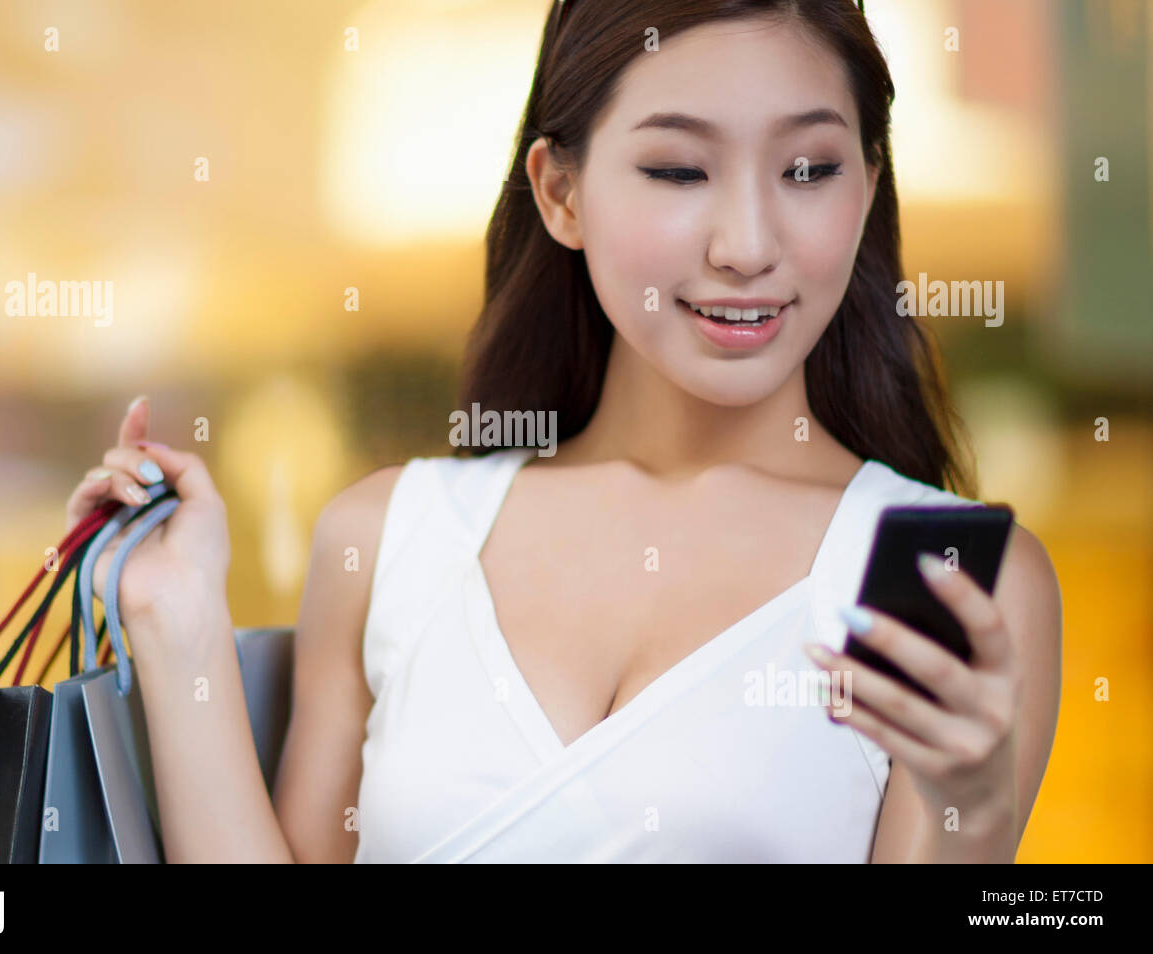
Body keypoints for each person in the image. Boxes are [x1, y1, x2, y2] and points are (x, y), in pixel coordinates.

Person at [66, 0, 1061, 863]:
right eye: (678, 170)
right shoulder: (390, 537)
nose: (749, 245)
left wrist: (967, 803)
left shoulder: (942, 577)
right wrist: (176, 625)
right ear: (559, 193)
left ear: (869, 184)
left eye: (807, 168)